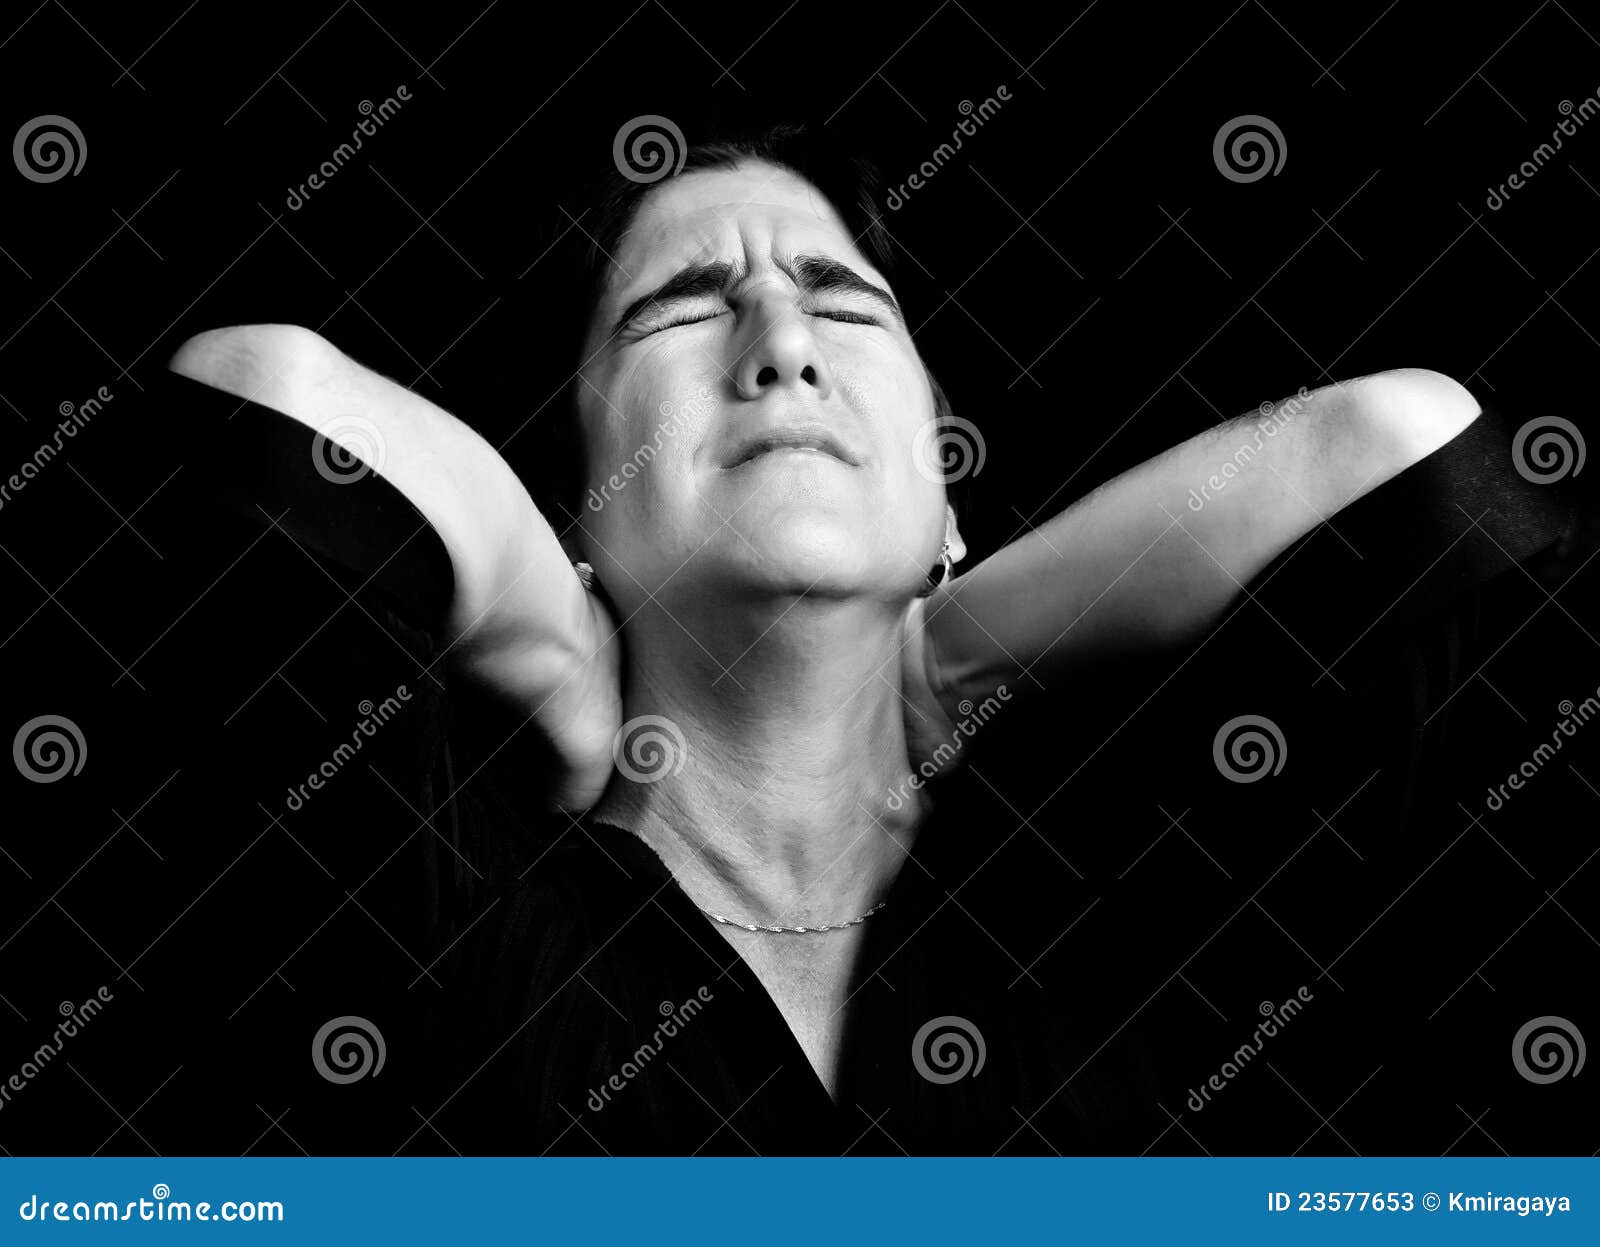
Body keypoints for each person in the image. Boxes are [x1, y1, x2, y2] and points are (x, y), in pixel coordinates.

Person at [133, 124, 1543, 1154]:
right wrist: (556, 644)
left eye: (842, 299)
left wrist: (959, 643)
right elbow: (262, 398)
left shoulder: (1110, 916)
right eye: (681, 307)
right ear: (568, 494)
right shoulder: (464, 914)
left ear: (942, 471)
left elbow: (1421, 453)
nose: (779, 341)